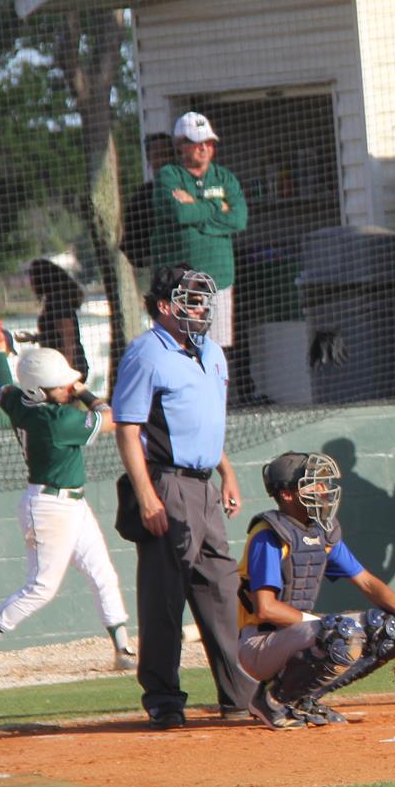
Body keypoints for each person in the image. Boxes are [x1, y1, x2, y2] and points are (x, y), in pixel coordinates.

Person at [112, 264, 254, 729]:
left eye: (203, 299)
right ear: (164, 306)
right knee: (164, 596)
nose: (201, 308)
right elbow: (128, 430)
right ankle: (164, 699)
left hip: (206, 484)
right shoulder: (146, 353)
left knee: (220, 589)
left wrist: (226, 473)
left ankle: (240, 695)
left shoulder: (212, 352)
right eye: (191, 300)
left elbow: (208, 421)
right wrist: (148, 496)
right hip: (167, 484)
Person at [0, 335, 134, 680]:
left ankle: (122, 649)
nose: (66, 388)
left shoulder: (17, 401)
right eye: (59, 386)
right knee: (42, 587)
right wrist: (83, 390)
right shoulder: (57, 421)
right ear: (40, 391)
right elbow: (109, 416)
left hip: (72, 503)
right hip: (49, 507)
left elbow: (5, 383)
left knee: (103, 574)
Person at [236, 451, 395, 729]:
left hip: (297, 636)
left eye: (323, 484)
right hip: (260, 643)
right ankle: (272, 701)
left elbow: (367, 582)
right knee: (341, 632)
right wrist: (326, 625)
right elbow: (266, 608)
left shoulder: (321, 533)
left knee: (390, 629)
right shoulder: (268, 536)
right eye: (312, 484)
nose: (323, 490)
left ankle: (302, 698)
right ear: (288, 495)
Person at [152, 113, 246, 351]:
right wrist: (217, 206)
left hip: (219, 280)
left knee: (218, 349)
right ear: (180, 146)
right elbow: (181, 214)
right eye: (197, 142)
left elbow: (238, 219)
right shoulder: (168, 176)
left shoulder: (224, 177)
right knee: (181, 347)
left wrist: (196, 209)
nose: (204, 148)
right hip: (179, 285)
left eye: (209, 142)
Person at [25, 258, 89, 381]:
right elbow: (56, 336)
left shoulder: (58, 304)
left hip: (69, 368)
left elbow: (68, 341)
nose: (30, 282)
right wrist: (35, 338)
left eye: (32, 276)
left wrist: (66, 375)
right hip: (59, 368)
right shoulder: (52, 302)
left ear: (42, 278)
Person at [122, 132, 175, 270]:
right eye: (158, 155)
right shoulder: (140, 199)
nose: (163, 160)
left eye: (168, 154)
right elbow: (131, 250)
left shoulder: (190, 188)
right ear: (149, 158)